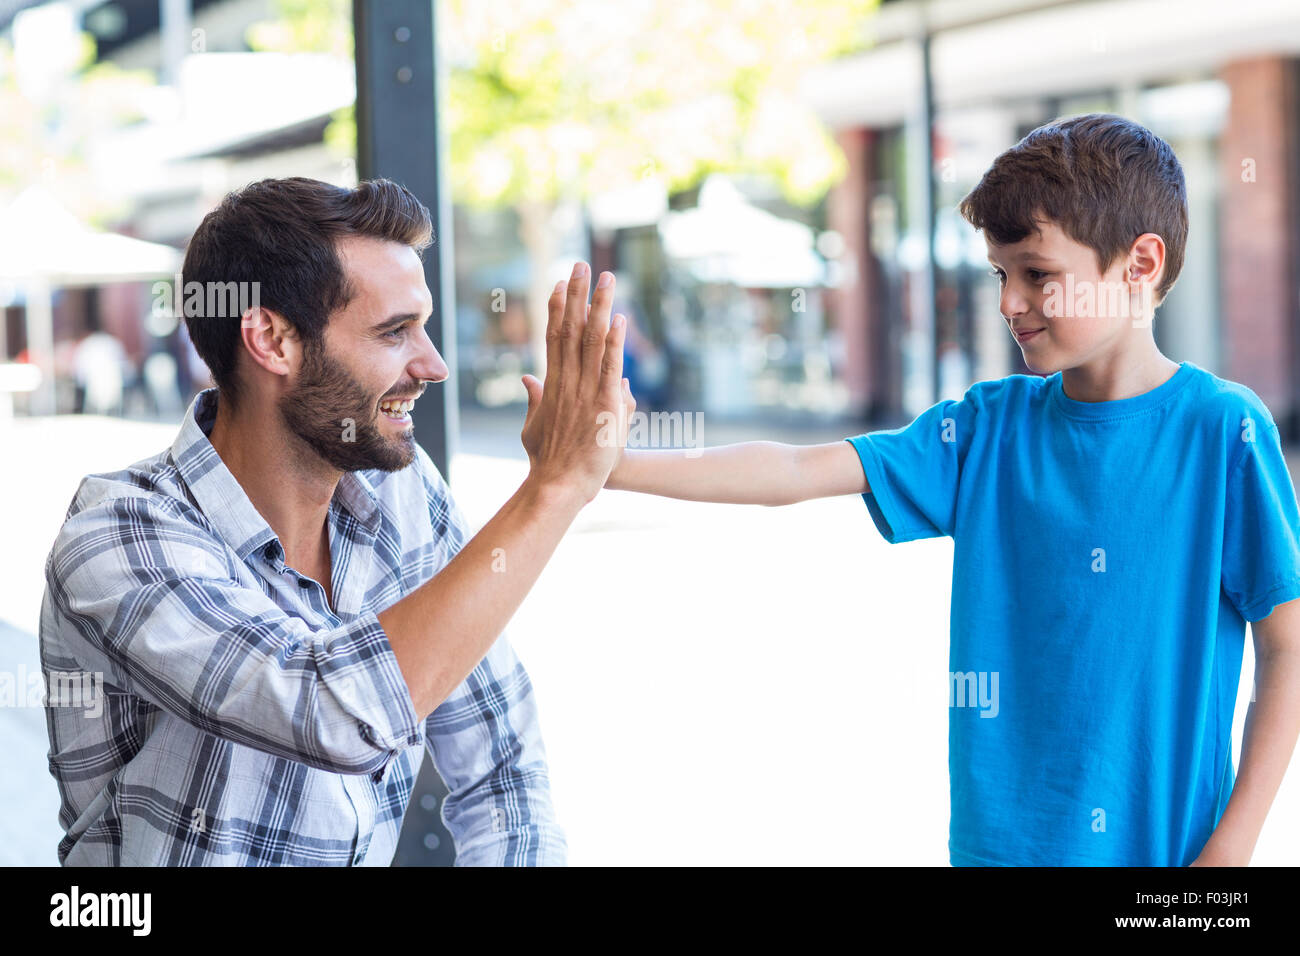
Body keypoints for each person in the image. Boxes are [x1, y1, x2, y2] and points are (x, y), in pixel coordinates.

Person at [605, 114, 1300, 866]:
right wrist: (610, 466)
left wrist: (1231, 849)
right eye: (1002, 275)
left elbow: (1287, 649)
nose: (1009, 303)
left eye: (1038, 274)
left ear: (1140, 264)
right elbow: (798, 470)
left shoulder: (1224, 430)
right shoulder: (983, 430)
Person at [39, 176, 635, 866]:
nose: (433, 364)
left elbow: (501, 770)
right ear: (272, 341)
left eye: (426, 325)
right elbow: (329, 710)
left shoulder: (405, 495)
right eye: (395, 332)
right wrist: (553, 490)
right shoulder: (119, 536)